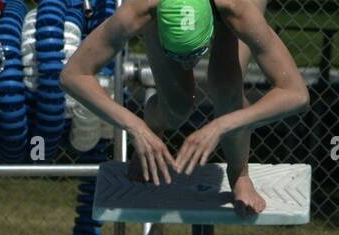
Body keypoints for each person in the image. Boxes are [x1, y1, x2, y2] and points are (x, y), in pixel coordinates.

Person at [61, 0, 309, 216]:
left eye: (196, 54)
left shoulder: (236, 9)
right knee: (176, 105)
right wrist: (134, 126)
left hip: (228, 7)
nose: (190, 64)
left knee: (226, 87)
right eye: (178, 56)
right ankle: (154, 130)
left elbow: (295, 93)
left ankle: (239, 173)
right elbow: (73, 74)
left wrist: (222, 125)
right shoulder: (141, 8)